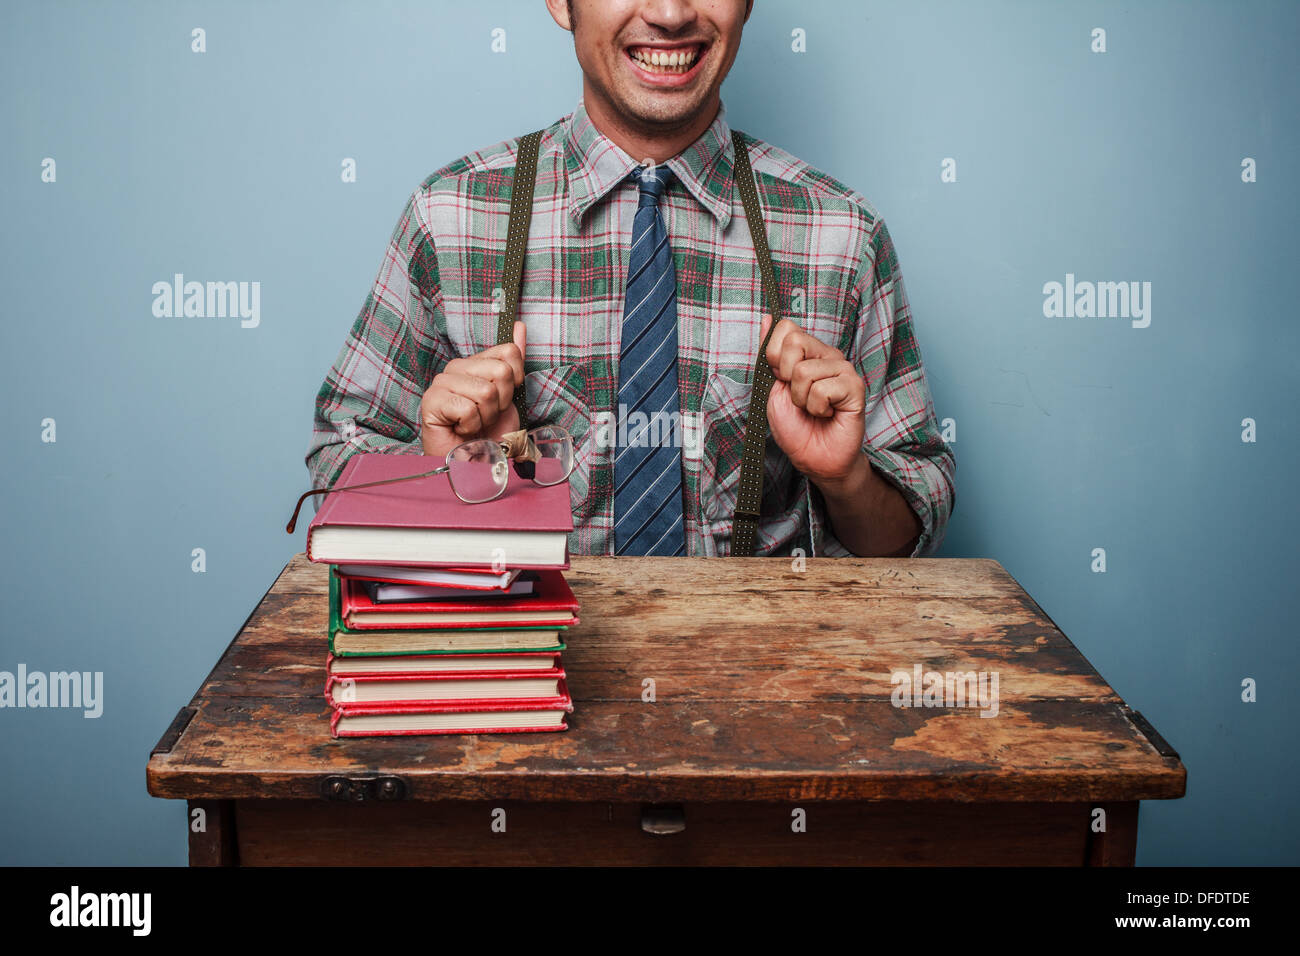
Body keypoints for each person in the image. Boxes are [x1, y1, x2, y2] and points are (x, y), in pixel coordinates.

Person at [305, 0, 954, 558]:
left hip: (760, 688)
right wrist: (458, 473)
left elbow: (902, 540)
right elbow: (339, 477)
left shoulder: (840, 233)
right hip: (530, 675)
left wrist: (847, 480)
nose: (670, 14)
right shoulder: (454, 217)